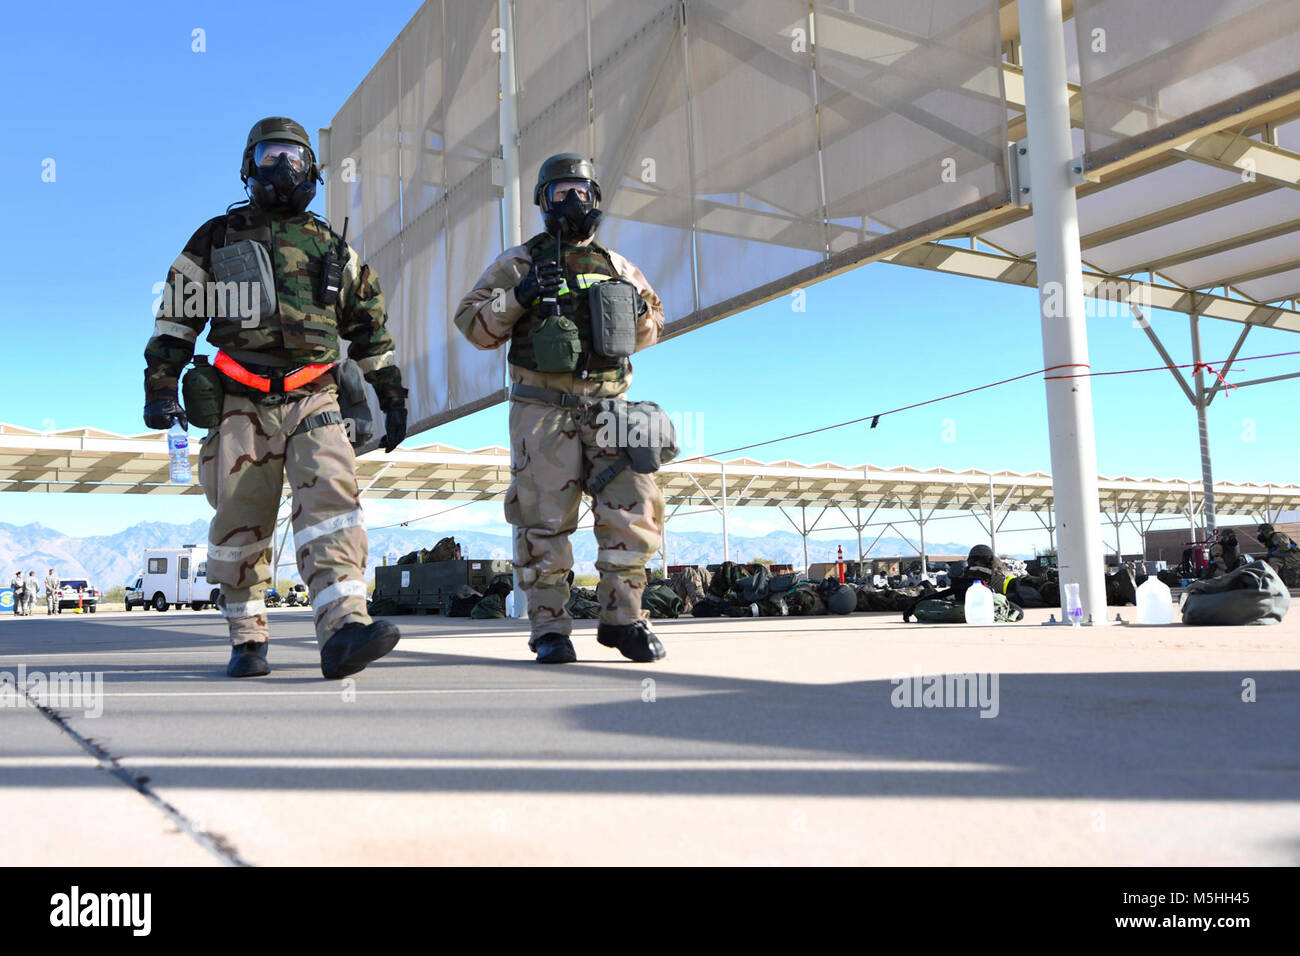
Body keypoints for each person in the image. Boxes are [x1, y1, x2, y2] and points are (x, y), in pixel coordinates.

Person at [143, 117, 409, 680]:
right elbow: (175, 319)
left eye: (294, 156)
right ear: (248, 167)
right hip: (240, 397)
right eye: (270, 156)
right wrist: (161, 388)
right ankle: (247, 638)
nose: (284, 167)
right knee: (241, 520)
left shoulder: (333, 246)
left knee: (333, 509)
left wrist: (392, 395)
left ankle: (343, 632)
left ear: (311, 168)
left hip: (316, 394)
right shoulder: (216, 238)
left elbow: (370, 330)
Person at [454, 153, 667, 664]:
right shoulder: (518, 262)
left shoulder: (618, 265)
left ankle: (623, 619)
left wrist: (639, 314)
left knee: (635, 508)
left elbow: (656, 325)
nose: (572, 201)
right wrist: (521, 296)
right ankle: (549, 630)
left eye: (581, 191)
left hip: (611, 408)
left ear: (595, 199)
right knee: (544, 520)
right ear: (543, 201)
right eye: (560, 192)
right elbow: (472, 325)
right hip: (542, 411)